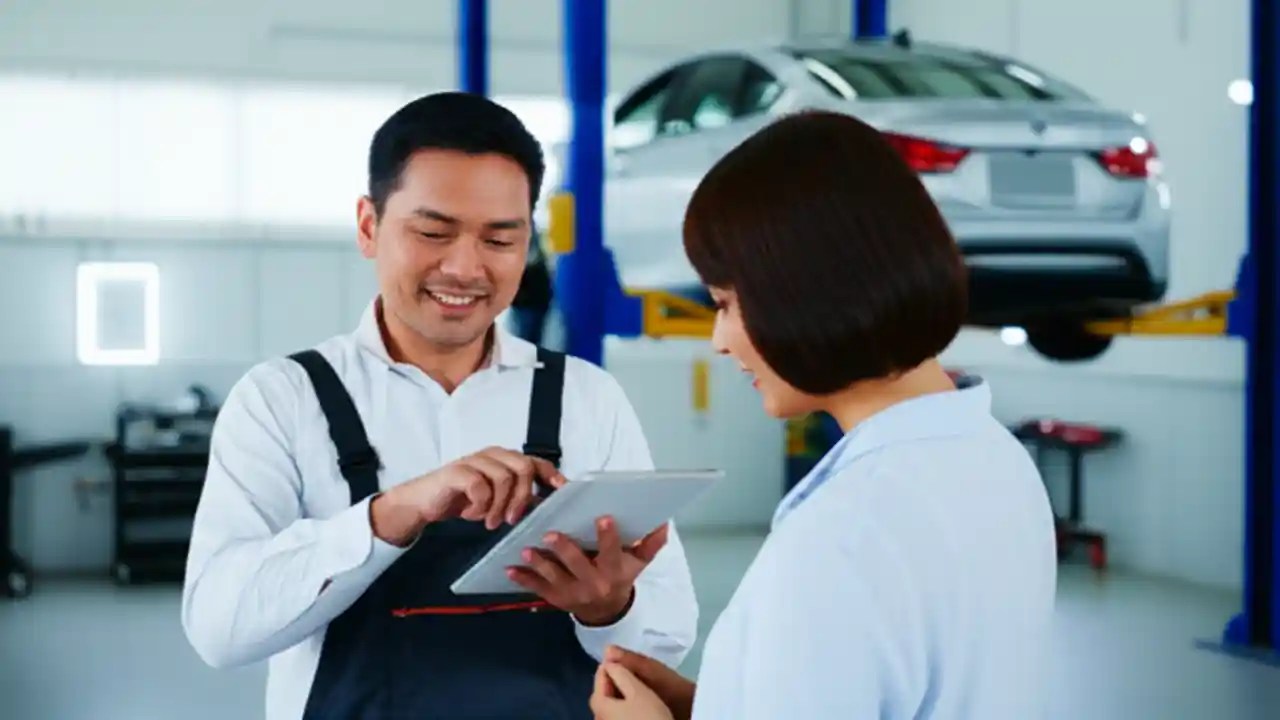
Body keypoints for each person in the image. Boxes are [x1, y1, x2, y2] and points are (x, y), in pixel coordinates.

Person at [181, 92, 698, 720]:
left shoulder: (586, 398)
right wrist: (390, 517)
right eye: (433, 233)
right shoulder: (281, 400)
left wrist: (606, 608)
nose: (464, 268)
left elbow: (668, 633)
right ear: (369, 226)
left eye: (499, 240)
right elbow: (218, 629)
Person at [588, 110, 1057, 719]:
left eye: (727, 304)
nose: (720, 340)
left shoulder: (844, 536)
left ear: (804, 287)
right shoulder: (994, 458)